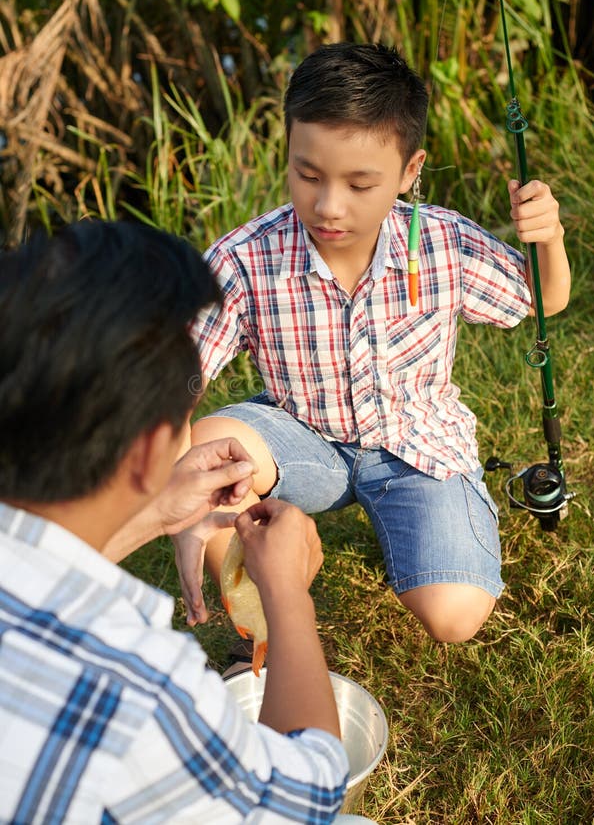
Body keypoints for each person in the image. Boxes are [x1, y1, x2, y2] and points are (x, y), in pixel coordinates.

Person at [176, 42, 571, 645]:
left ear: (410, 171)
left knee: (455, 616)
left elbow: (543, 299)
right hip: (303, 435)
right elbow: (175, 378)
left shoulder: (442, 241)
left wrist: (549, 239)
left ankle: (425, 521)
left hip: (418, 446)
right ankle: (263, 629)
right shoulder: (245, 257)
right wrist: (183, 496)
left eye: (360, 184)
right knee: (205, 450)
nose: (328, 206)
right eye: (308, 175)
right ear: (288, 150)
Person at [0, 219, 362, 823]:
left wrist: (153, 512)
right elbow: (309, 794)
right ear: (148, 453)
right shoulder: (138, 690)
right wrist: (286, 594)